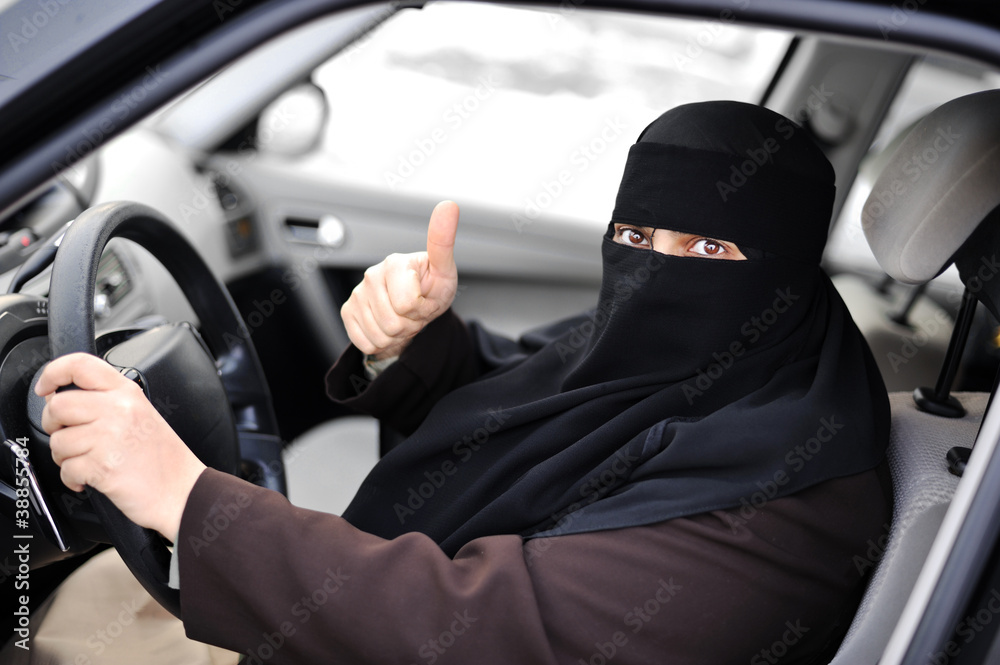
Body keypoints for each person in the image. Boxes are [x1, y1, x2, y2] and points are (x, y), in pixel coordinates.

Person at [31, 101, 891, 664]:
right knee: (85, 593)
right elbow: (535, 395)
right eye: (635, 232)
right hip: (356, 601)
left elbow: (489, 633)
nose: (657, 269)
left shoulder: (788, 488)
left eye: (708, 249)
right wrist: (406, 346)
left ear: (784, 262)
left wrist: (188, 498)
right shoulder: (732, 352)